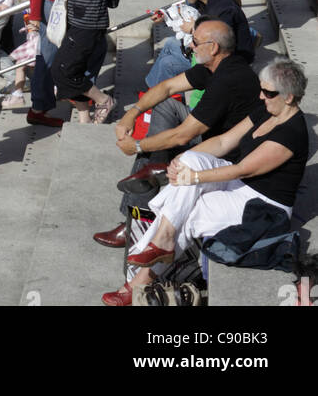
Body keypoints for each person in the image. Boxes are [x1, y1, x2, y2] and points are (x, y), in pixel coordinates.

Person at [107, 59, 309, 306]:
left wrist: (193, 177)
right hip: (237, 184)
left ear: (289, 97)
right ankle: (163, 241)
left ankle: (139, 279)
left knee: (191, 210)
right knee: (192, 159)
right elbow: (224, 142)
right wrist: (181, 161)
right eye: (261, 89)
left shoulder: (293, 133)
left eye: (268, 92)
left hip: (262, 204)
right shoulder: (264, 109)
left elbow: (242, 170)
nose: (261, 96)